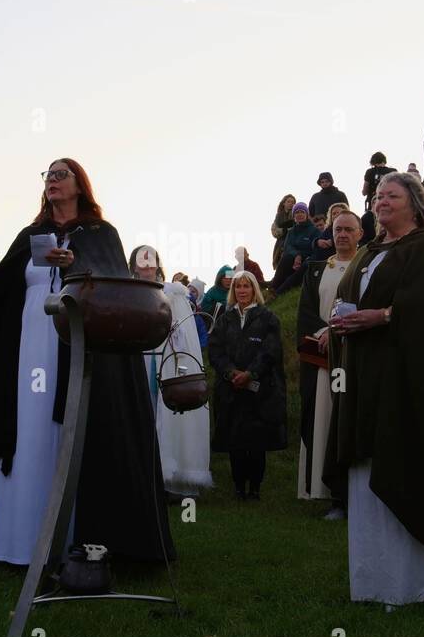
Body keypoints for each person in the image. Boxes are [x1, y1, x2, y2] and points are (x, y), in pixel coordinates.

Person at [0, 158, 175, 565]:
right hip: (29, 347)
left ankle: (75, 544)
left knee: (68, 428)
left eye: (60, 174)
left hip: (77, 346)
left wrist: (77, 267)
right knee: (27, 432)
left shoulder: (101, 234)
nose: (51, 181)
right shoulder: (32, 234)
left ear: (80, 185)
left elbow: (112, 284)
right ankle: (20, 543)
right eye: (47, 175)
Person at [328, 171, 424, 611]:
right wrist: (344, 319)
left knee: (407, 466)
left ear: (415, 203)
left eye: (391, 195)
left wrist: (385, 316)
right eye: (377, 196)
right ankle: (380, 582)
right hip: (366, 378)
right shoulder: (370, 252)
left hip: (408, 384)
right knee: (369, 469)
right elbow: (349, 297)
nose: (380, 202)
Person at [130, 246, 212, 496]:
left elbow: (185, 333)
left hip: (167, 364)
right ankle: (140, 477)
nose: (146, 265)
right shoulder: (126, 292)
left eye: (150, 260)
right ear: (133, 265)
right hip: (138, 361)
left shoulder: (172, 293)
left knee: (169, 417)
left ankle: (172, 479)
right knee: (139, 414)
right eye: (141, 261)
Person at [295, 210, 360, 515]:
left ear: (360, 233)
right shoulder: (317, 269)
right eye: (337, 230)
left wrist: (337, 332)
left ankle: (352, 495)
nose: (342, 235)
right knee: (321, 419)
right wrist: (324, 332)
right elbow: (306, 312)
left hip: (354, 357)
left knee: (347, 421)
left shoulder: (367, 267)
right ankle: (325, 491)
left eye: (349, 229)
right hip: (321, 364)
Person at [207, 270, 286, 500]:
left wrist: (251, 374)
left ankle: (255, 487)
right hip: (230, 389)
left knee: (257, 442)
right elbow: (215, 351)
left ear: (254, 290)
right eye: (238, 287)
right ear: (233, 291)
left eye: (246, 286)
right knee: (235, 442)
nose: (242, 290)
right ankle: (239, 486)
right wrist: (231, 373)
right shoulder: (224, 319)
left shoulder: (268, 318)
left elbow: (270, 351)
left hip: (259, 391)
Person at [271, 202, 319, 295]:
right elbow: (287, 247)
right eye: (297, 212)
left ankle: (278, 293)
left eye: (302, 212)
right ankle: (272, 289)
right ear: (294, 216)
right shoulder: (291, 232)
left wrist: (301, 257)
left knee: (301, 269)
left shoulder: (314, 231)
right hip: (293, 259)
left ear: (307, 214)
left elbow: (314, 248)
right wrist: (297, 255)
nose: (299, 214)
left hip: (306, 260)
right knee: (286, 258)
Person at [270, 194, 296, 273]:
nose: (291, 204)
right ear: (283, 203)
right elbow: (274, 231)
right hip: (280, 243)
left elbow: (296, 228)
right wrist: (284, 230)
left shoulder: (296, 214)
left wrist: (287, 230)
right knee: (279, 263)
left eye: (293, 202)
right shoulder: (279, 216)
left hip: (292, 242)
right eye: (288, 201)